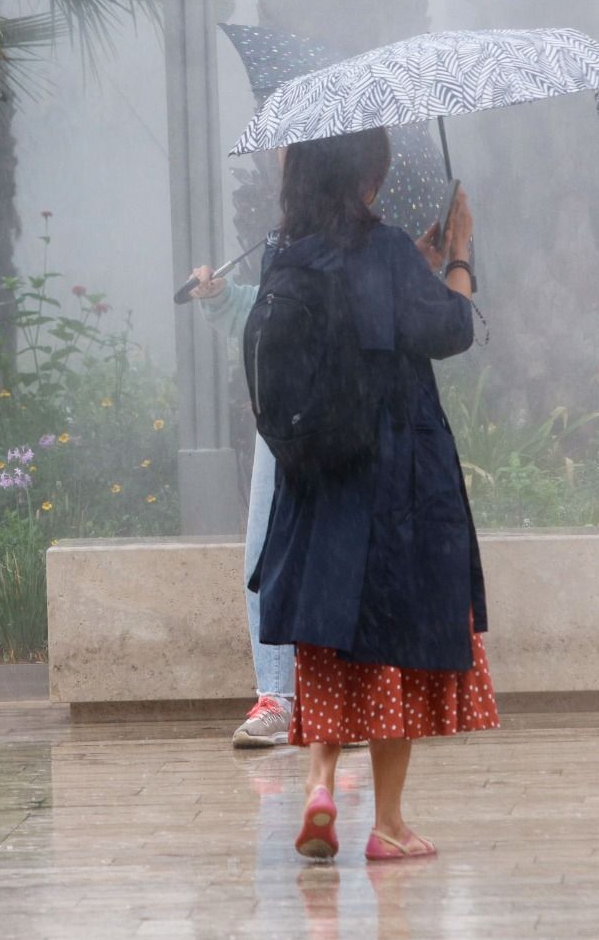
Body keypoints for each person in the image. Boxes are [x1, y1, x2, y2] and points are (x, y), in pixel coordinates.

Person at [250, 127, 498, 862]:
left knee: (329, 637)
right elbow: (450, 327)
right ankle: (387, 824)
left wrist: (410, 266)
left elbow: (353, 323)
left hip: (320, 477)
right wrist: (455, 254)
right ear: (367, 173)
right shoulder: (383, 247)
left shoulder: (283, 254)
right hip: (394, 476)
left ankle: (320, 782)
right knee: (397, 638)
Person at [184, 267, 295, 747]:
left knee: (348, 554)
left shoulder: (371, 246)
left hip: (350, 414)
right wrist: (222, 295)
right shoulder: (289, 243)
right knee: (266, 557)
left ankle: (343, 701)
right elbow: (262, 310)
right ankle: (276, 697)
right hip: (283, 414)